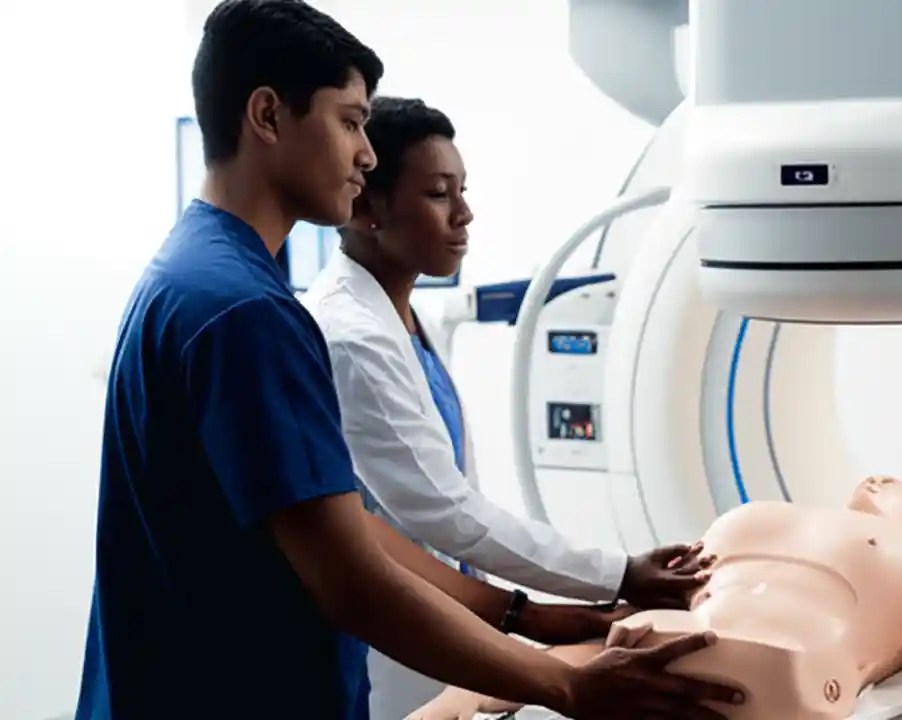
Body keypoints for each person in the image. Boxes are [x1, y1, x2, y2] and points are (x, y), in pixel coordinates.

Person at [73, 2, 742, 718]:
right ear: (268, 116)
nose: (365, 154)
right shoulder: (246, 313)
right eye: (350, 122)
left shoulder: (191, 277)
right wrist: (567, 684)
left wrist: (535, 618)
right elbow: (353, 581)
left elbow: (347, 530)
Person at [299, 97, 714, 716]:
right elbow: (444, 512)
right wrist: (617, 573)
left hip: (445, 607)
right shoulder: (350, 338)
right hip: (392, 638)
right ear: (366, 209)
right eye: (438, 194)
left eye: (462, 191)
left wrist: (543, 612)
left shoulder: (404, 315)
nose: (464, 214)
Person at [411, 475, 902, 720]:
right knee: (635, 645)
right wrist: (462, 697)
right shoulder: (764, 519)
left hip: (787, 672)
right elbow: (614, 641)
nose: (877, 480)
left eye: (893, 481)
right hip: (666, 651)